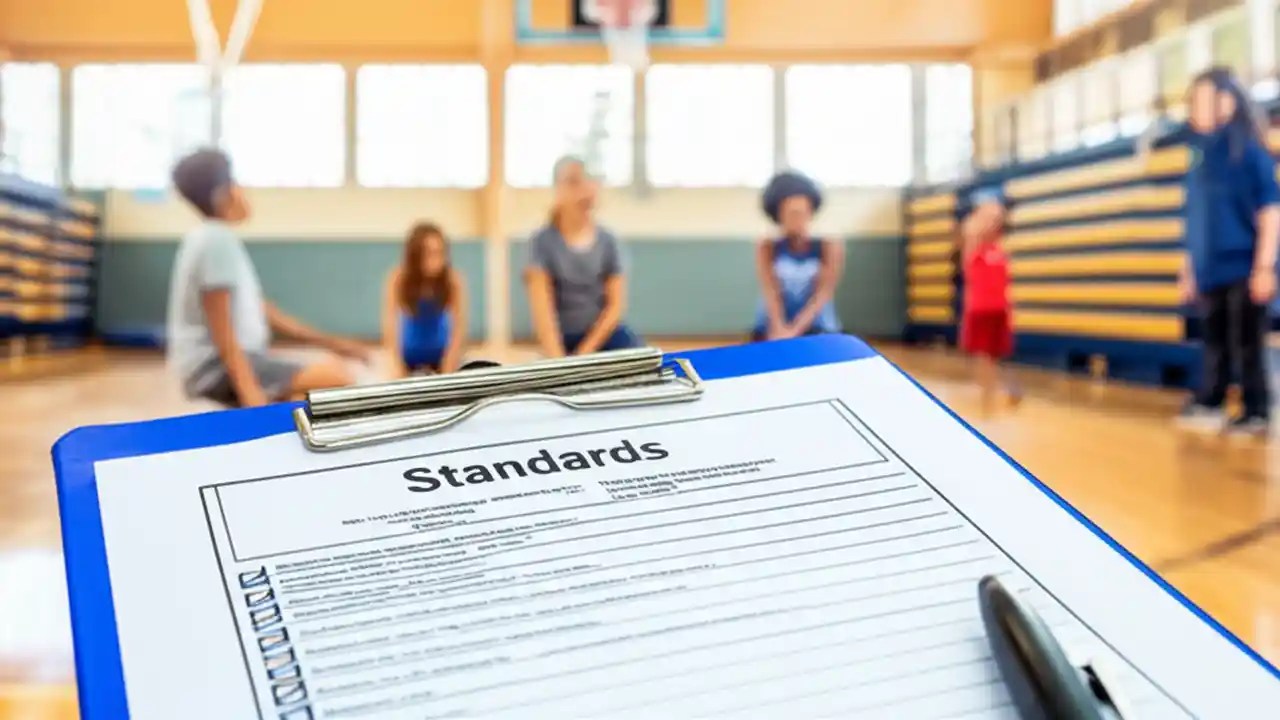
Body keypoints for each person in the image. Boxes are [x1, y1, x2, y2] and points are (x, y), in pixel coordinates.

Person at [166, 149, 368, 407]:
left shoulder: (212, 239)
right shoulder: (216, 240)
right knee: (338, 377)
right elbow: (222, 329)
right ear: (224, 193)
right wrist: (251, 394)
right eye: (236, 183)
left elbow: (265, 311)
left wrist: (333, 344)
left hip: (229, 362)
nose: (244, 191)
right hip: (213, 368)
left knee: (314, 388)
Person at [1177, 67, 1280, 436]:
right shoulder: (1200, 158)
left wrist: (1264, 267)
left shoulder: (1250, 152)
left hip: (1243, 265)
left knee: (1246, 342)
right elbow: (1193, 218)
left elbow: (1270, 211)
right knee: (1214, 341)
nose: (1194, 108)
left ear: (1227, 102)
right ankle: (1212, 399)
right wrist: (1189, 268)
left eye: (1201, 99)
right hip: (1211, 268)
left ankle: (1256, 408)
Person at [525, 155, 641, 357]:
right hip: (562, 338)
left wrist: (585, 354)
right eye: (573, 182)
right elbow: (543, 312)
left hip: (605, 336)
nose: (582, 190)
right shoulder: (542, 242)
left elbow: (615, 307)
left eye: (587, 182)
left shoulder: (608, 242)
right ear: (558, 190)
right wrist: (560, 361)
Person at [751, 171, 844, 341]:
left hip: (817, 324)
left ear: (811, 211)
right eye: (791, 213)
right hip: (774, 324)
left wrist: (794, 331)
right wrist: (779, 328)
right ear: (779, 215)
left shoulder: (829, 245)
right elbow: (770, 292)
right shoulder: (767, 246)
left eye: (802, 212)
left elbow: (823, 294)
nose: (797, 219)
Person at [959, 189, 1021, 415]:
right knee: (984, 356)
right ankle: (987, 396)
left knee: (996, 355)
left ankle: (1000, 389)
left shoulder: (999, 249)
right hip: (980, 310)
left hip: (999, 310)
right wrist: (987, 209)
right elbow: (972, 227)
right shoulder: (974, 247)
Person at [381, 222, 468, 377]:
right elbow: (390, 327)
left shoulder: (452, 280)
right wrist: (397, 366)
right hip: (409, 356)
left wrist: (448, 368)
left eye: (440, 253)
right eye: (429, 253)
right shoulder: (399, 279)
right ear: (416, 255)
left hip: (441, 354)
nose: (437, 260)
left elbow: (458, 329)